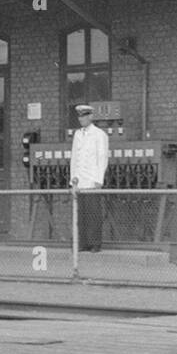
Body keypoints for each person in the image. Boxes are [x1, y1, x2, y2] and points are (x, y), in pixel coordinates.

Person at [69, 103, 110, 252]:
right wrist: (73, 181)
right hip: (80, 181)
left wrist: (99, 179)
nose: (81, 119)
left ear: (90, 117)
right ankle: (83, 243)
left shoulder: (100, 135)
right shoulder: (78, 134)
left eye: (84, 116)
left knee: (93, 213)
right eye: (79, 116)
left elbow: (102, 158)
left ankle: (95, 243)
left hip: (93, 180)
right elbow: (74, 158)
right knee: (81, 214)